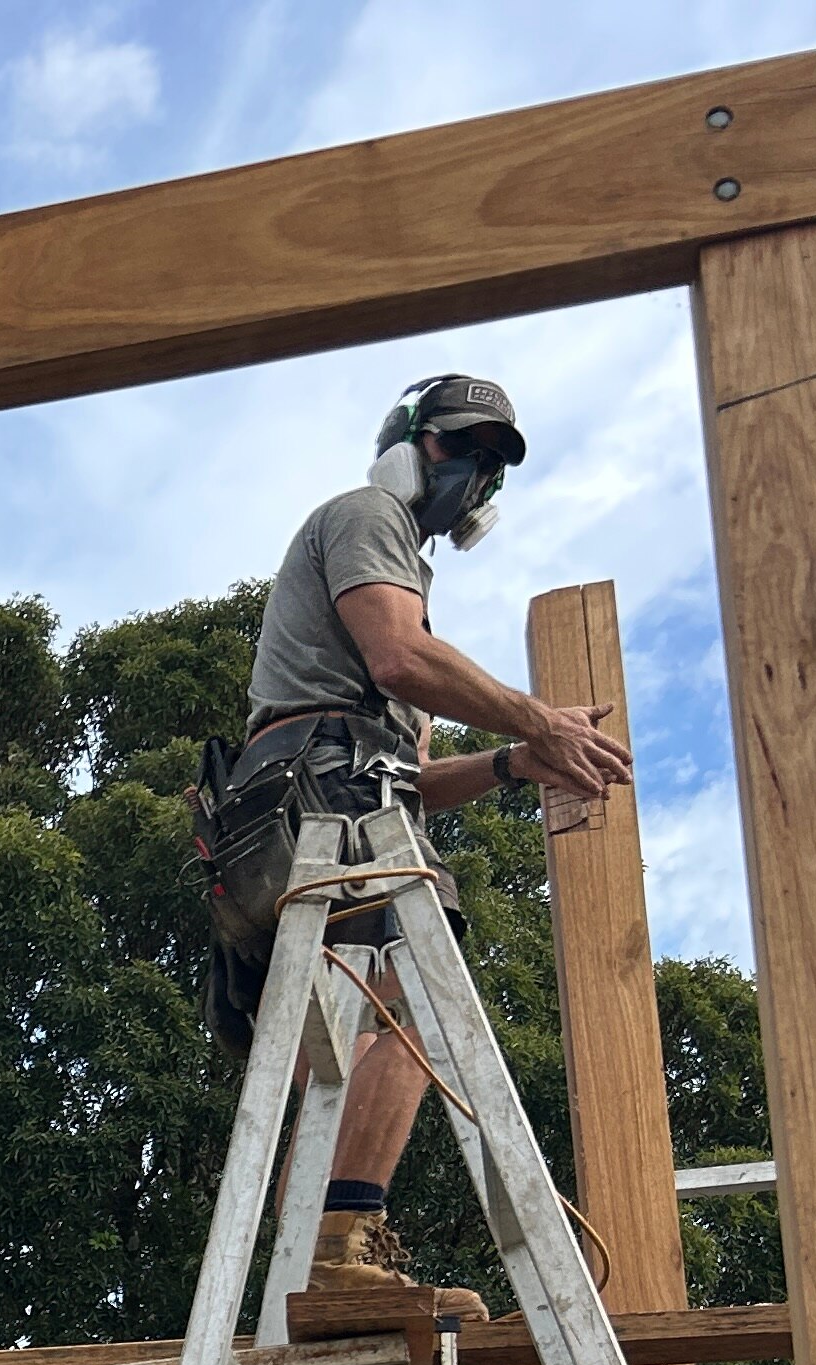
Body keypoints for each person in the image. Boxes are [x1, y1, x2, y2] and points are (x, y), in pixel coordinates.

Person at [216, 374, 634, 1291]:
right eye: (457, 448)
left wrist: (513, 765)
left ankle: (317, 1261)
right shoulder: (370, 515)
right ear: (410, 444)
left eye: (490, 464)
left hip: (310, 812)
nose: (472, 476)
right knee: (423, 1001)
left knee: (352, 1053)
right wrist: (538, 721)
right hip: (322, 807)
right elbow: (400, 655)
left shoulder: (405, 584)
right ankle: (342, 1242)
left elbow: (410, 780)